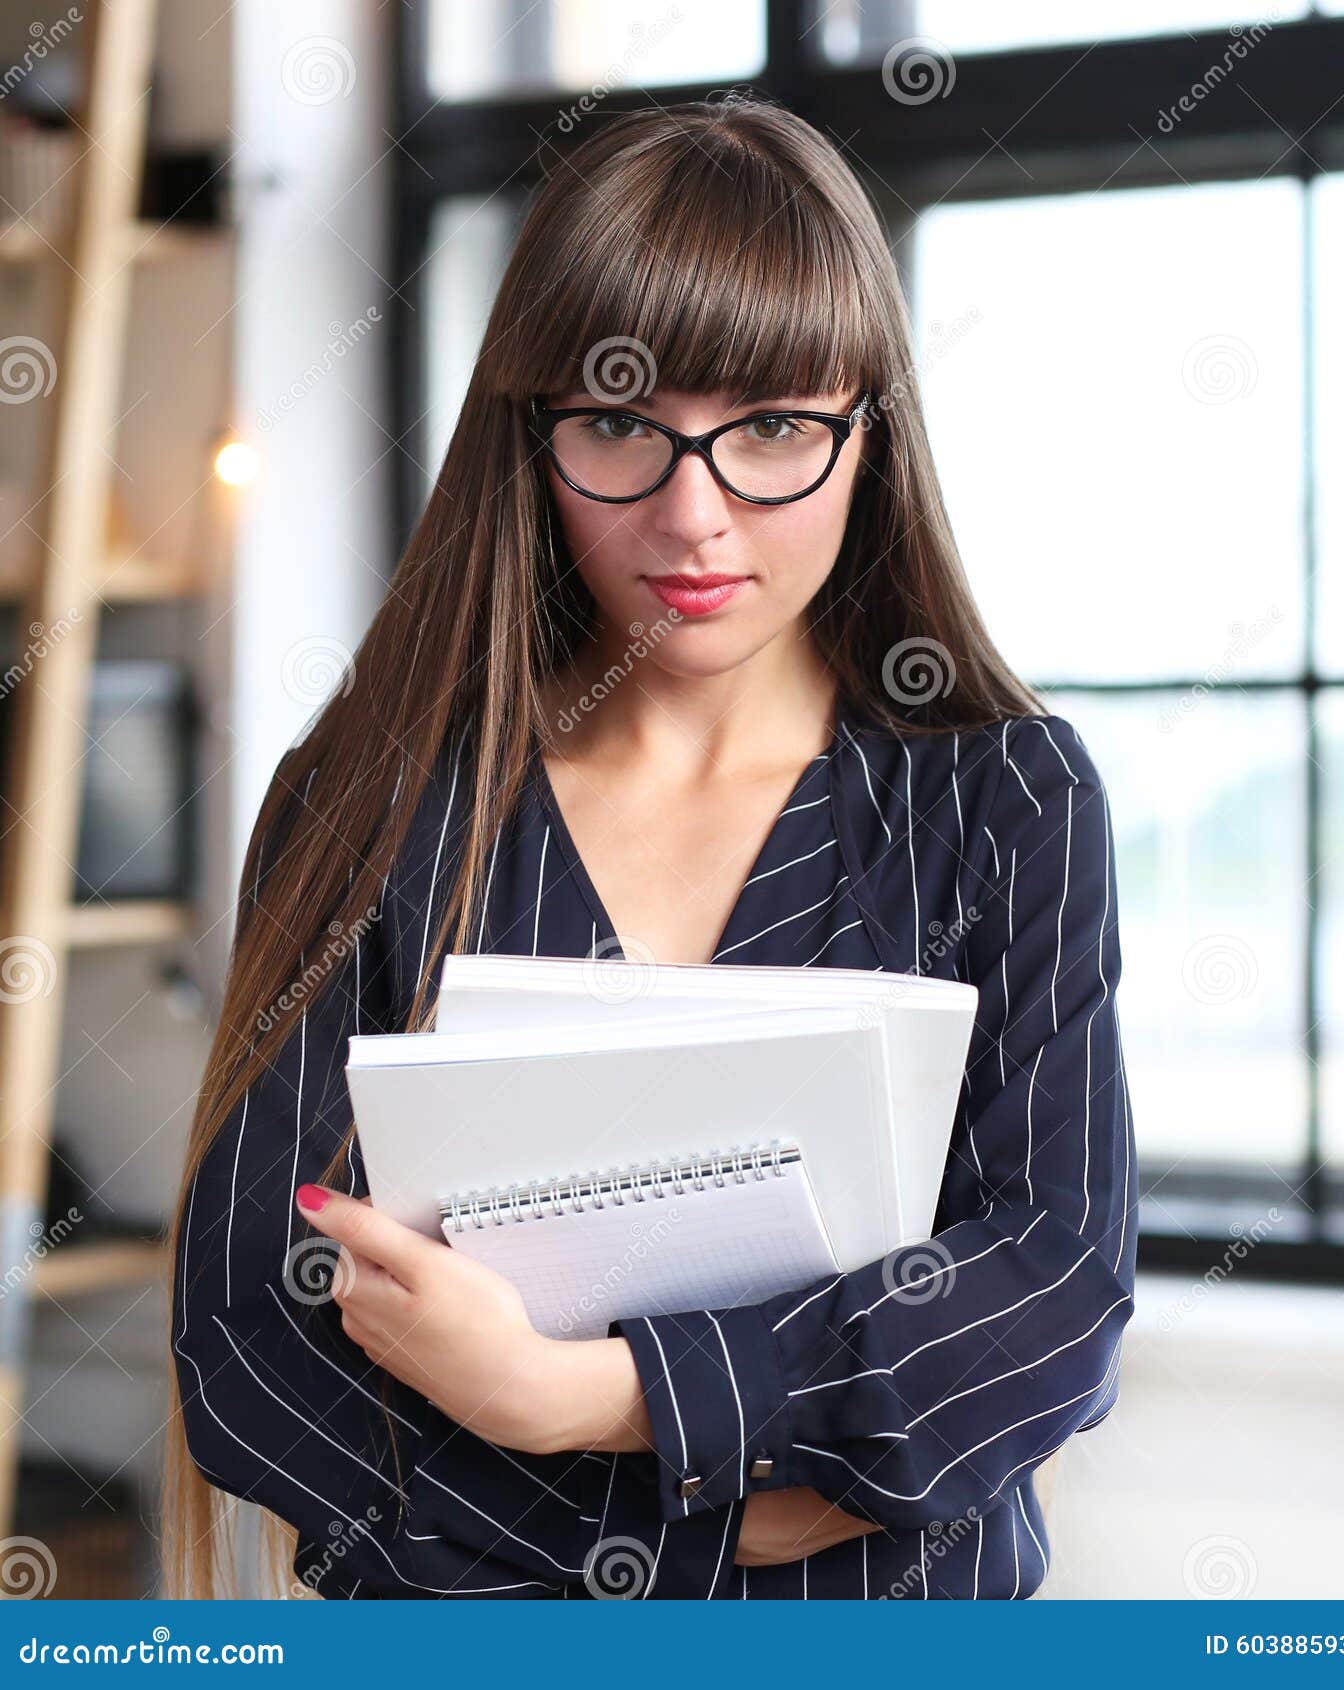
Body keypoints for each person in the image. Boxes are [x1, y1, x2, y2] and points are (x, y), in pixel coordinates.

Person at [164, 93, 1137, 1601]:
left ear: (870, 434)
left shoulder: (1004, 798)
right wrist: (732, 1504)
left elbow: (1050, 1297)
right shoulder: (370, 800)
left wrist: (586, 1397)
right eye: (620, 423)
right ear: (533, 436)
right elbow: (252, 1339)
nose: (694, 516)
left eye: (773, 428)